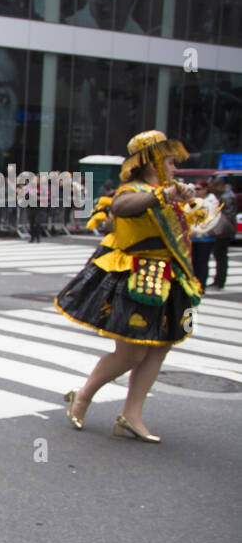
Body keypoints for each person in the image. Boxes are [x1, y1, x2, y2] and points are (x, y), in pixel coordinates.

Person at [56, 130, 201, 442]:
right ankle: (82, 396)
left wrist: (191, 207)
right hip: (138, 277)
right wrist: (165, 195)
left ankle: (131, 415)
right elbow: (122, 207)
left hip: (169, 279)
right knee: (131, 354)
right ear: (151, 163)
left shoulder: (166, 191)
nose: (175, 168)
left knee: (159, 348)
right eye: (170, 162)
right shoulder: (133, 191)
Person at [206, 177, 236, 289]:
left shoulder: (226, 196)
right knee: (220, 256)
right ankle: (218, 280)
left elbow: (227, 215)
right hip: (223, 230)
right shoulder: (224, 195)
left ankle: (219, 281)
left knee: (221, 256)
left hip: (223, 231)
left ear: (220, 185)